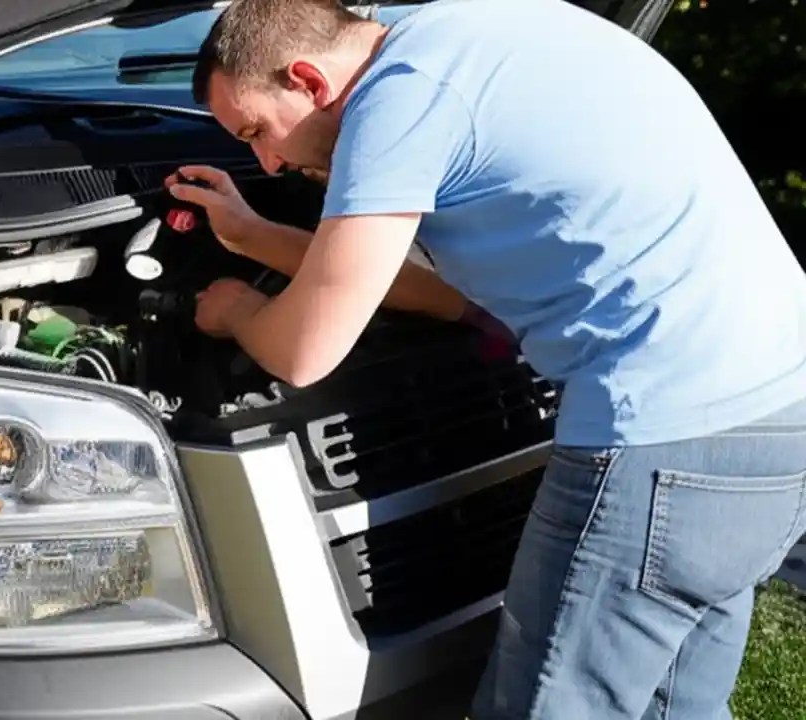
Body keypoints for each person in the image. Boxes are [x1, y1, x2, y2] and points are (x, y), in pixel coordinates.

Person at [166, 0, 806, 717]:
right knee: (673, 706)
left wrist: (240, 312)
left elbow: (305, 350)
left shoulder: (400, 98)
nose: (267, 161)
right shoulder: (485, 30)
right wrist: (251, 235)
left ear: (310, 80)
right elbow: (442, 295)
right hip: (780, 417)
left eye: (257, 131)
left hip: (662, 441)